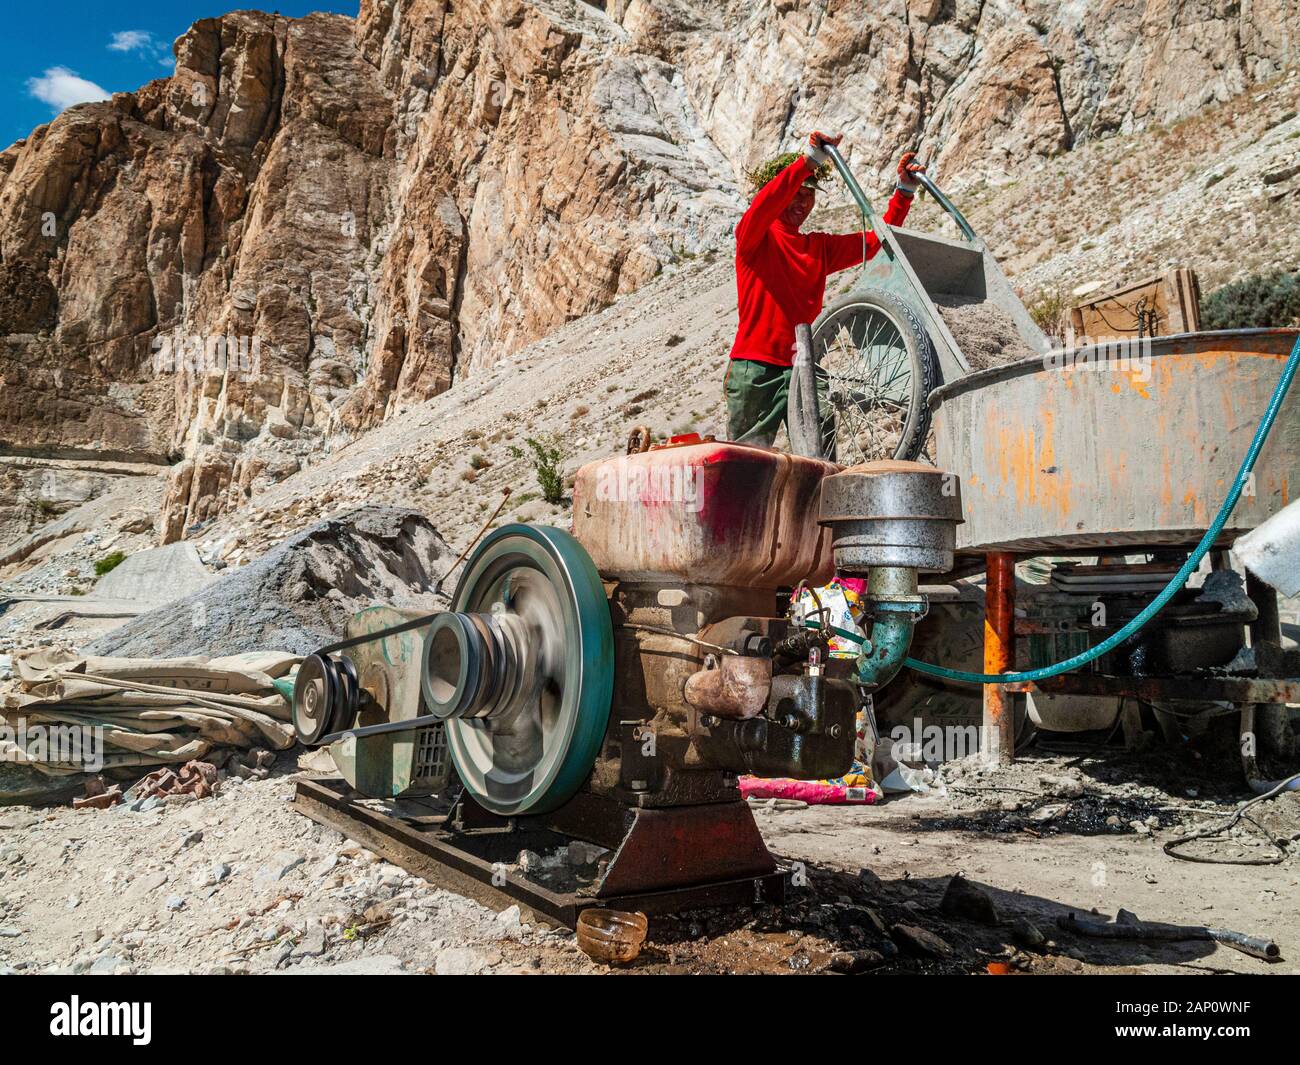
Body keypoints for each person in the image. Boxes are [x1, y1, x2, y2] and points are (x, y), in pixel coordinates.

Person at [724, 131, 925, 446]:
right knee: (748, 462)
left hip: (805, 363)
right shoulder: (753, 237)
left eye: (810, 195)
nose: (803, 202)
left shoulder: (819, 247)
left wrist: (903, 193)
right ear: (779, 191)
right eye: (797, 192)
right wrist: (808, 162)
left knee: (820, 453)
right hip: (755, 369)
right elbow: (764, 205)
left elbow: (875, 243)